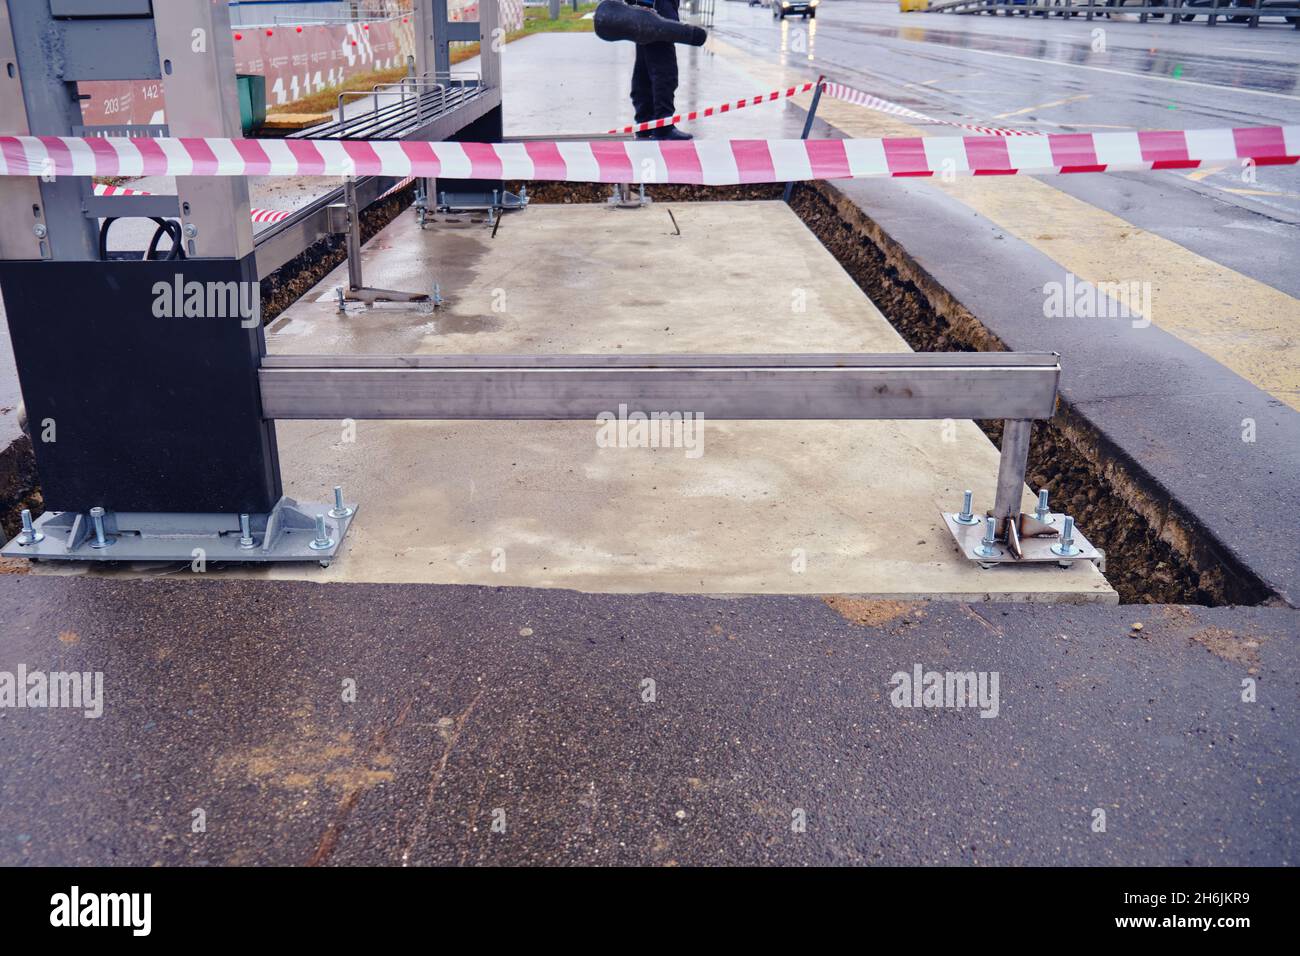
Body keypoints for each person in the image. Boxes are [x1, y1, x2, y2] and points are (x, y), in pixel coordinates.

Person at [629, 0, 692, 141]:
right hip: (659, 13)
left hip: (644, 13)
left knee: (644, 70)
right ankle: (663, 127)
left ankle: (644, 124)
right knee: (665, 73)